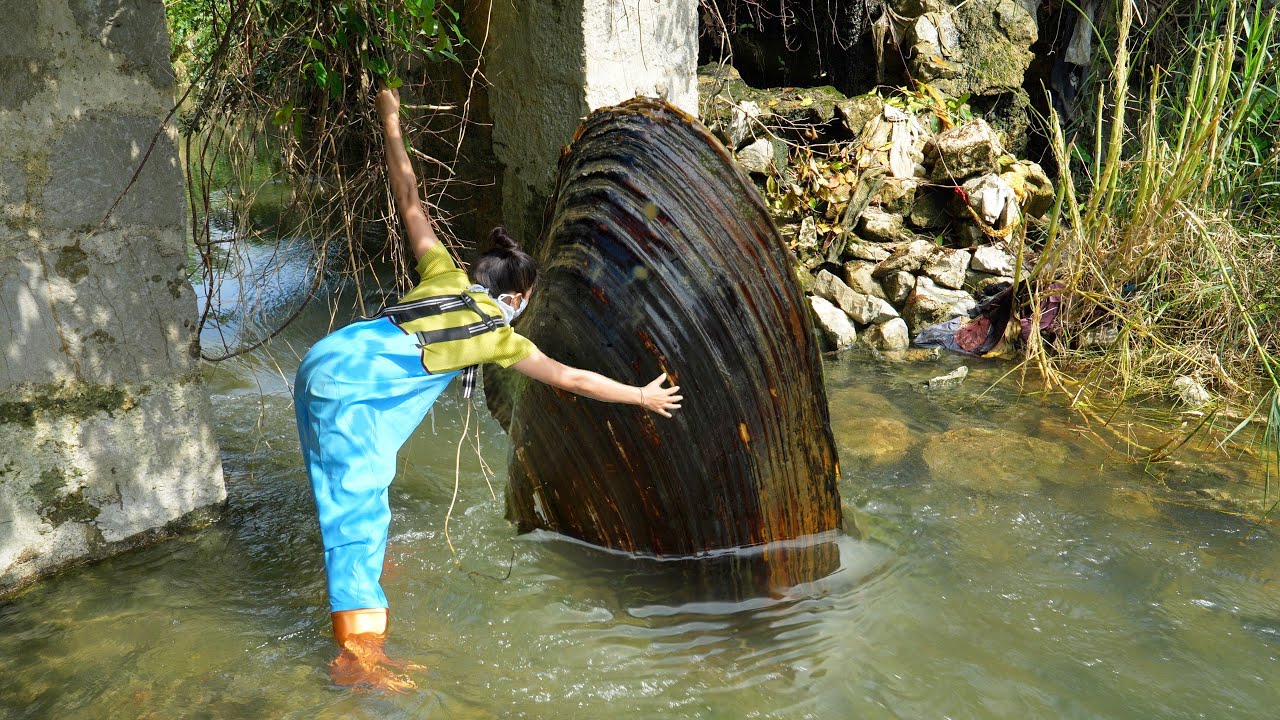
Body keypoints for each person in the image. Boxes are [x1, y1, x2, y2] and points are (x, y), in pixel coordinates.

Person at [293, 86, 683, 690]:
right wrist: (641, 396)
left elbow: (409, 200)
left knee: (346, 493)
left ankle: (363, 580)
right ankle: (358, 661)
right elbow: (572, 378)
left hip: (325, 361)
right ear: (512, 300)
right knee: (357, 512)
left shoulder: (443, 271)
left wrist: (390, 117)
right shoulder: (497, 335)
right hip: (352, 394)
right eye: (523, 305)